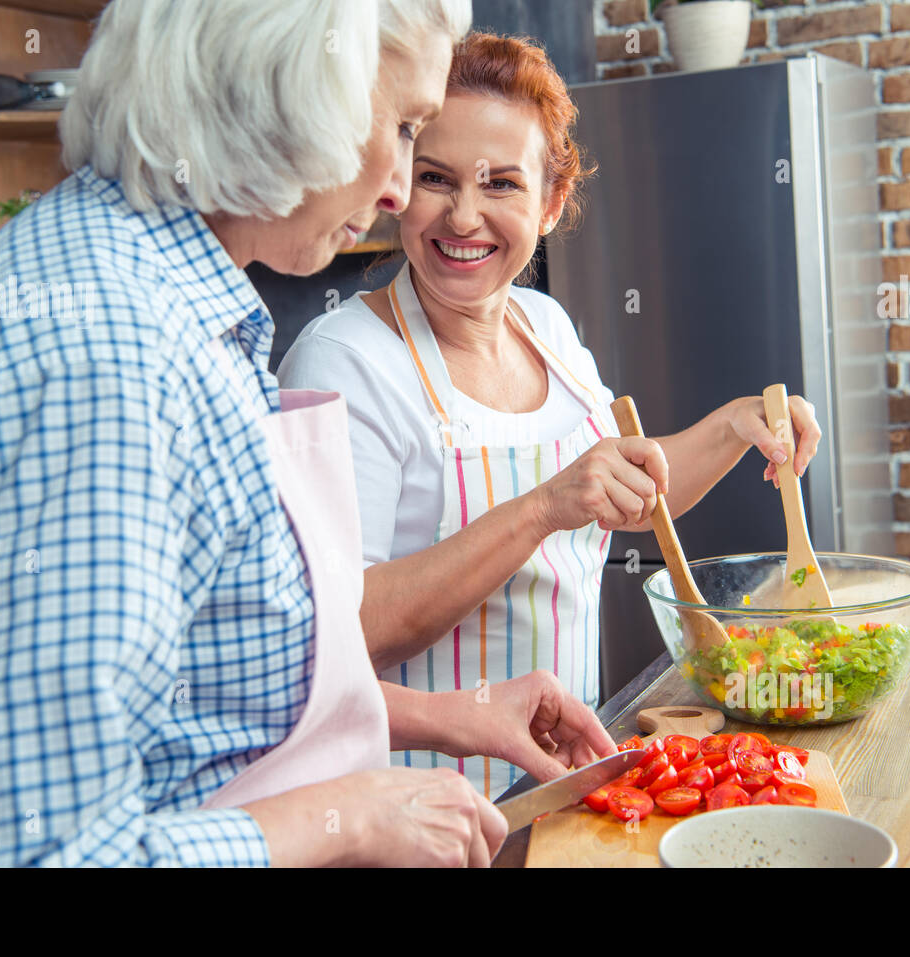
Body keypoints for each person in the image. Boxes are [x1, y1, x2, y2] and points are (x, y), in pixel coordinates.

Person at [0, 0, 614, 869]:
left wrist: (451, 714)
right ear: (281, 89)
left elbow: (200, 698)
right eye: (401, 127)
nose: (397, 189)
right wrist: (347, 816)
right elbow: (6, 860)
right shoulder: (106, 350)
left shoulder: (176, 296)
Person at [278, 33, 823, 799]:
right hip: (421, 812)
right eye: (435, 177)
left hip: (564, 785)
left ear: (551, 203)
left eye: (500, 183)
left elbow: (631, 491)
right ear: (399, 184)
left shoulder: (545, 327)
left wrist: (734, 425)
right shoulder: (342, 362)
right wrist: (541, 508)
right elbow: (341, 629)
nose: (462, 216)